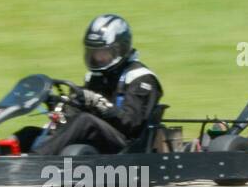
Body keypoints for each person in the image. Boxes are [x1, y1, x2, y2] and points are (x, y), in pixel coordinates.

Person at [36, 14, 163, 154]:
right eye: (94, 52)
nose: (98, 58)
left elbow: (131, 124)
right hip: (100, 135)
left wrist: (100, 104)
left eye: (103, 52)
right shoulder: (97, 76)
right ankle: (11, 154)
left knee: (85, 121)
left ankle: (35, 160)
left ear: (120, 49)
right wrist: (60, 105)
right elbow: (79, 112)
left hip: (127, 144)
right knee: (31, 131)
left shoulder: (141, 78)